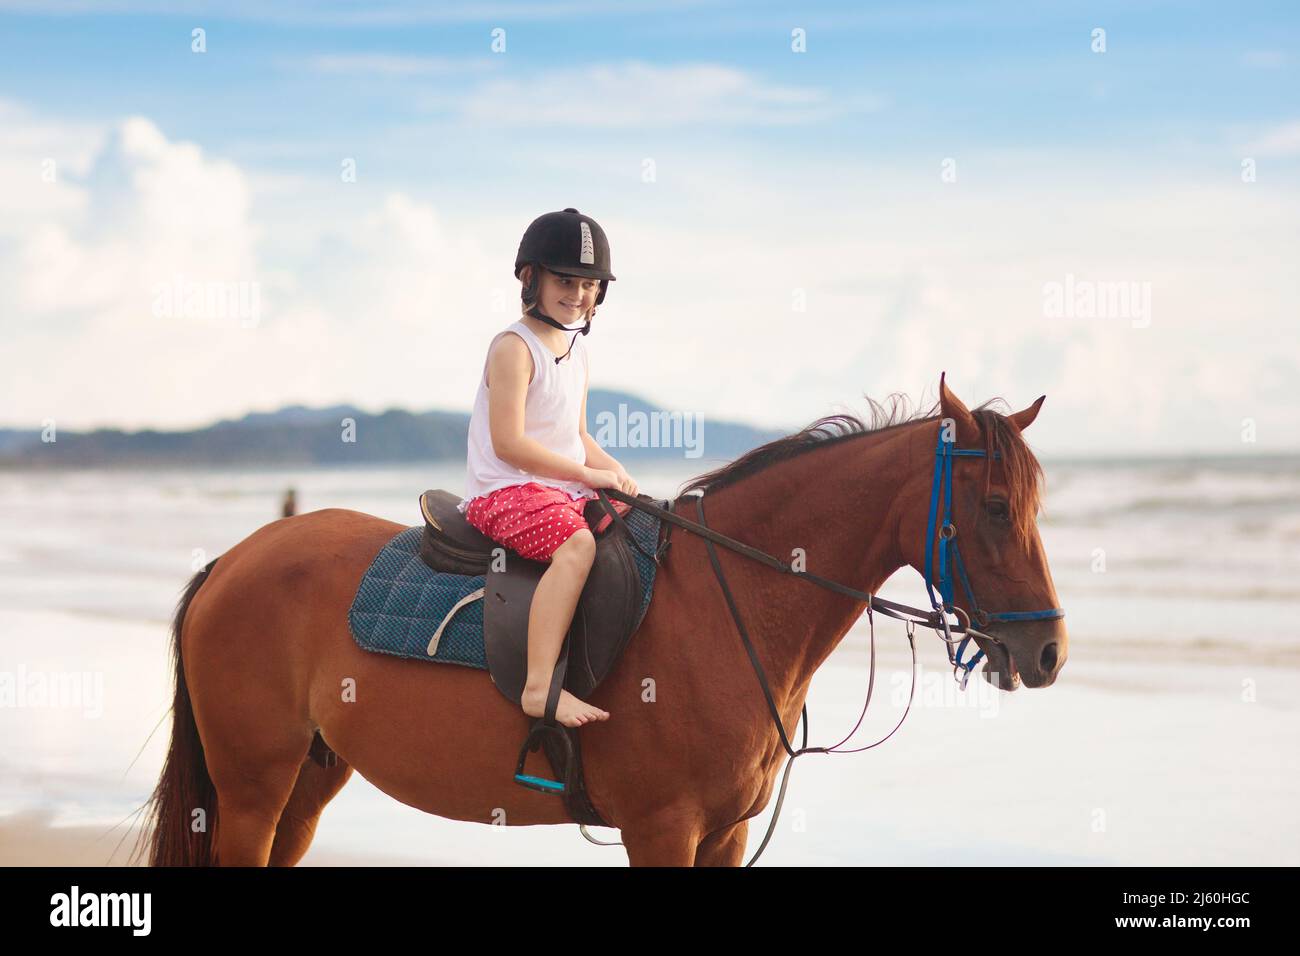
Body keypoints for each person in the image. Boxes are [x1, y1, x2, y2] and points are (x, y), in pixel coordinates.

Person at [457, 208, 638, 728]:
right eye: (565, 280)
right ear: (531, 277)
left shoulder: (577, 351)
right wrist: (587, 476)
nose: (577, 294)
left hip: (559, 488)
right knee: (578, 545)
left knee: (640, 524)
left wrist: (616, 472)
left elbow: (577, 436)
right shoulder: (514, 348)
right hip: (506, 490)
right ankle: (540, 687)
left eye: (588, 284)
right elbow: (510, 443)